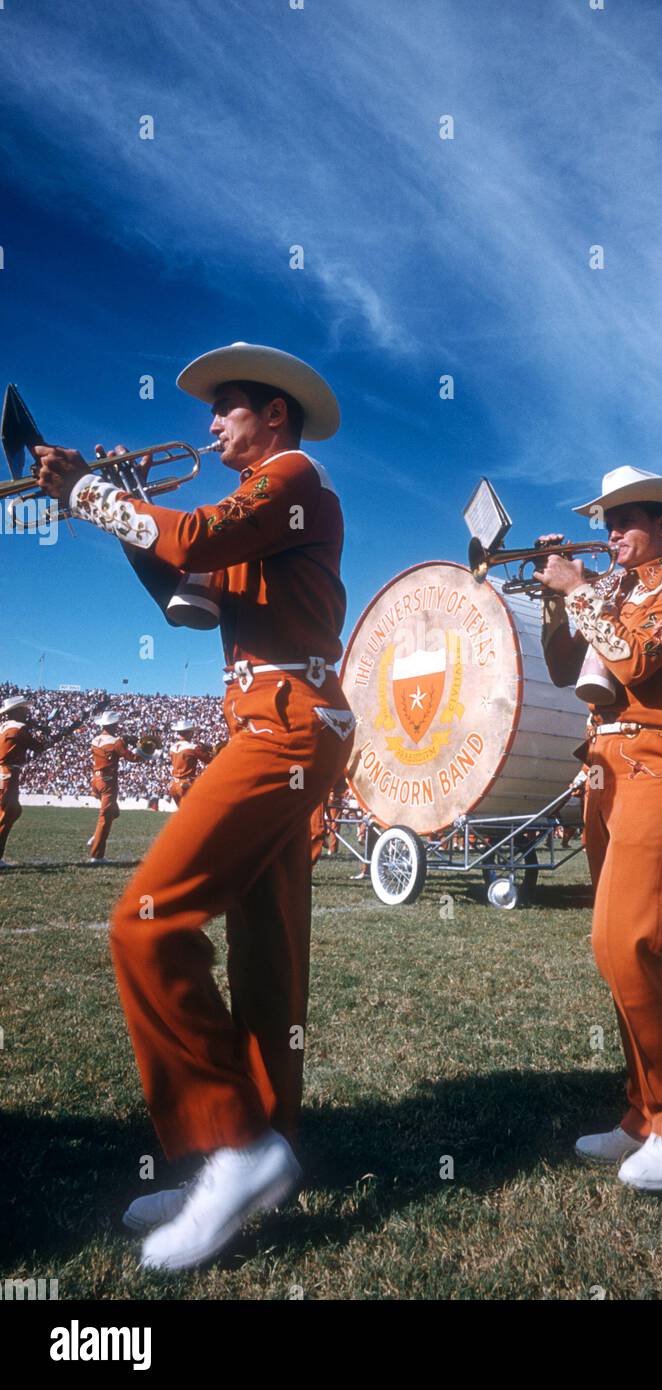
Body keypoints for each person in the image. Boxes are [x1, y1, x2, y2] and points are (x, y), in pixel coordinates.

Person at [34, 341, 356, 1271]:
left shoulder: (295, 479)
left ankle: (235, 1144)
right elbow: (190, 595)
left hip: (288, 722)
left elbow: (194, 538)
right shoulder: (263, 509)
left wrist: (90, 495)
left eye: (228, 409)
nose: (210, 424)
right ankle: (259, 1148)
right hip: (276, 718)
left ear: (276, 418)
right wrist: (115, 512)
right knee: (266, 951)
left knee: (143, 922)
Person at [536, 464, 662, 1194]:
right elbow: (557, 667)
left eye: (626, 519)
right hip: (605, 765)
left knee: (625, 940)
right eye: (606, 521)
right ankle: (643, 1111)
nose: (610, 533)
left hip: (659, 758)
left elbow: (637, 657)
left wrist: (578, 592)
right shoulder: (609, 592)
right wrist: (556, 604)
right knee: (619, 952)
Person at [87, 711, 141, 862]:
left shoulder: (95, 740)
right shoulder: (116, 742)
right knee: (105, 817)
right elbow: (132, 758)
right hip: (108, 781)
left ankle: (96, 837)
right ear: (113, 725)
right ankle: (97, 856)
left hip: (95, 781)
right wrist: (146, 753)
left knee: (113, 813)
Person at [0, 694, 45, 866]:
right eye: (24, 709)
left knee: (11, 811)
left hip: (4, 773)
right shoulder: (18, 728)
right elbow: (37, 746)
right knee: (9, 812)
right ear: (17, 711)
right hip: (9, 774)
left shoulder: (4, 727)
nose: (27, 712)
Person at [168, 718, 210, 806]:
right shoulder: (193, 747)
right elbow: (210, 760)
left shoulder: (171, 748)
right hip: (186, 785)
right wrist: (209, 750)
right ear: (189, 733)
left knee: (181, 814)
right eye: (192, 731)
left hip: (174, 785)